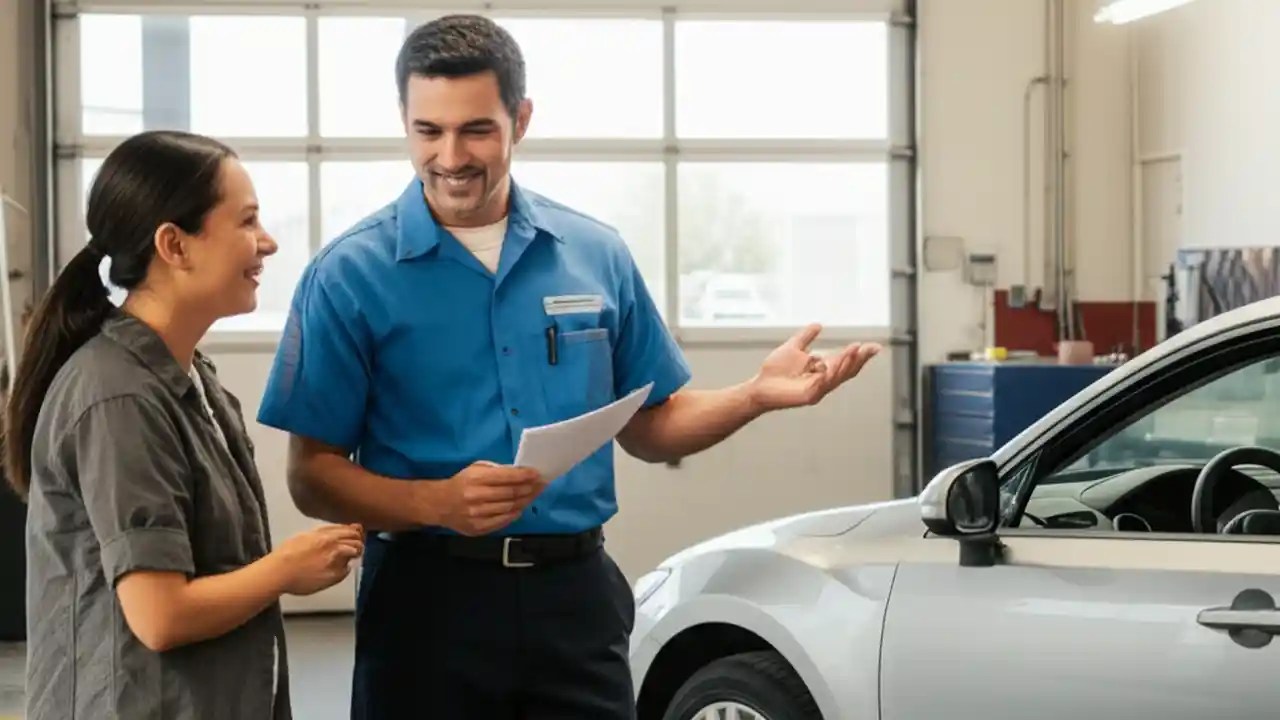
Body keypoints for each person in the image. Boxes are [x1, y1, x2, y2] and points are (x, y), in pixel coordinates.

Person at [257, 14, 879, 720]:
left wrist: (757, 395)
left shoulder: (595, 253)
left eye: (477, 130)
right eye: (428, 131)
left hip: (574, 599)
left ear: (520, 119)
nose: (451, 156)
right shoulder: (348, 275)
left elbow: (652, 426)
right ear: (404, 121)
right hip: (426, 603)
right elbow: (311, 475)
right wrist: (436, 503)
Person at [3, 130, 366, 720]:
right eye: (246, 222)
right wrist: (284, 570)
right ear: (174, 244)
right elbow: (160, 615)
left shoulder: (190, 377)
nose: (267, 242)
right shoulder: (117, 395)